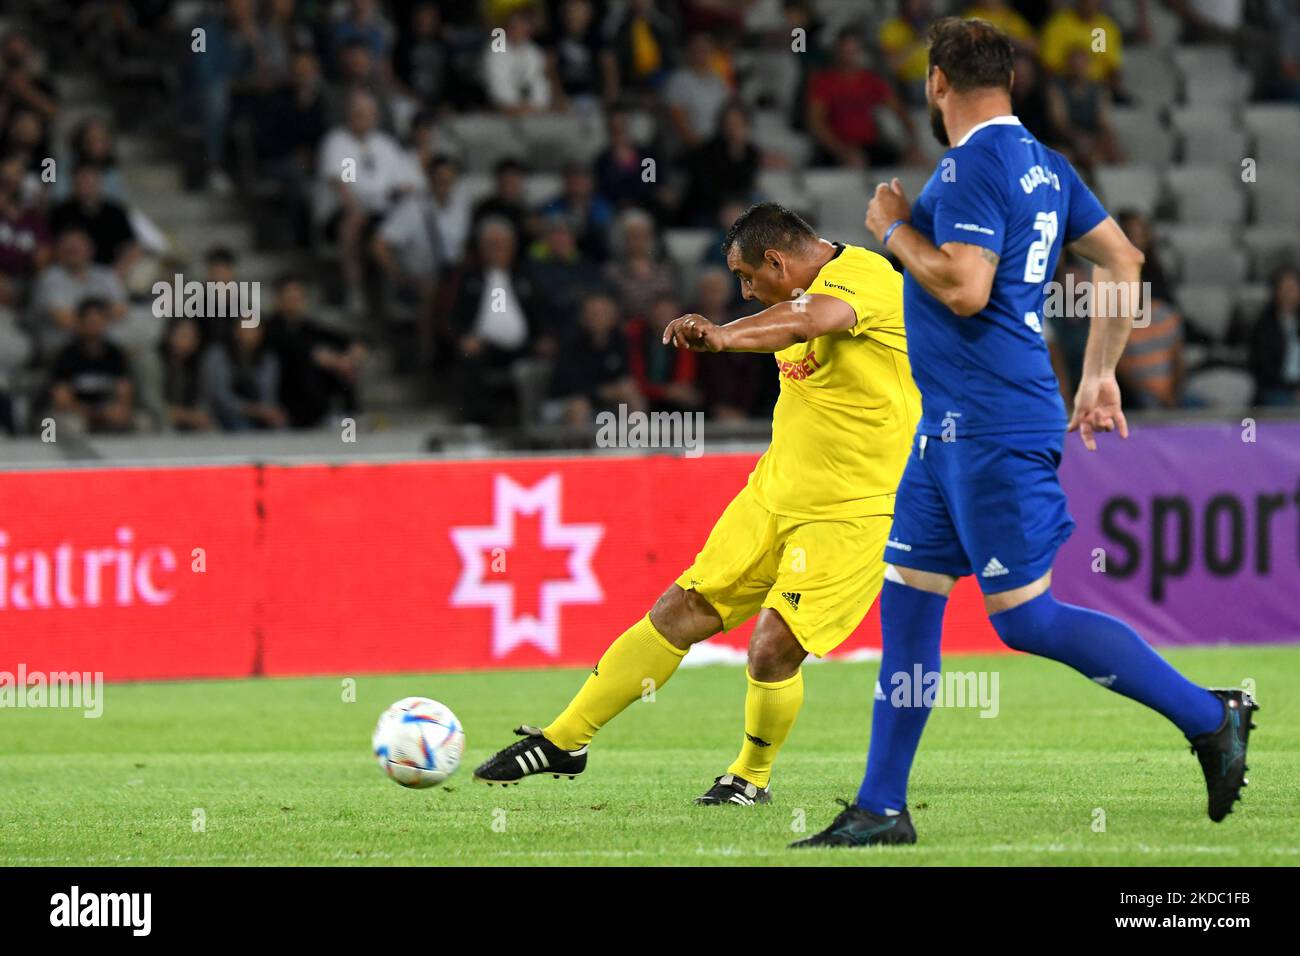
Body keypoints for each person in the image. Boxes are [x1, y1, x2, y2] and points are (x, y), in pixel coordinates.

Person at [795, 18, 1256, 849]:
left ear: (938, 82)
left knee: (1023, 618)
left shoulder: (970, 166)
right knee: (907, 604)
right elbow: (1123, 262)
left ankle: (1210, 714)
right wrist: (1101, 372)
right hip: (948, 430)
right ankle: (881, 807)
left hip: (994, 423)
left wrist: (894, 228)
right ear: (1007, 80)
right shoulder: (1044, 165)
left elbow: (966, 289)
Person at [473, 202, 921, 806]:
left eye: (747, 278)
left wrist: (722, 334)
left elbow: (805, 320)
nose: (745, 291)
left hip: (850, 512)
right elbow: (792, 319)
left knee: (772, 646)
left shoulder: (866, 278)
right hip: (771, 496)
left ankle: (750, 777)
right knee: (679, 610)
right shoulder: (788, 298)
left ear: (776, 260)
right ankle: (565, 740)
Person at [49, 298, 134, 434]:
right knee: (73, 425)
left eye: (99, 321)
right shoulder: (67, 355)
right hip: (77, 413)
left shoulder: (115, 354)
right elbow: (62, 400)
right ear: (80, 323)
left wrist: (119, 410)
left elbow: (124, 392)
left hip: (108, 411)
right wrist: (96, 414)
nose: (95, 326)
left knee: (138, 421)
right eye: (90, 322)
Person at [1248, 265, 1300, 406]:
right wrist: (1292, 388)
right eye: (1285, 289)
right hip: (1277, 388)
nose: (1288, 294)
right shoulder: (1264, 325)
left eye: (1293, 289)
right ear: (1276, 292)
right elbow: (1264, 369)